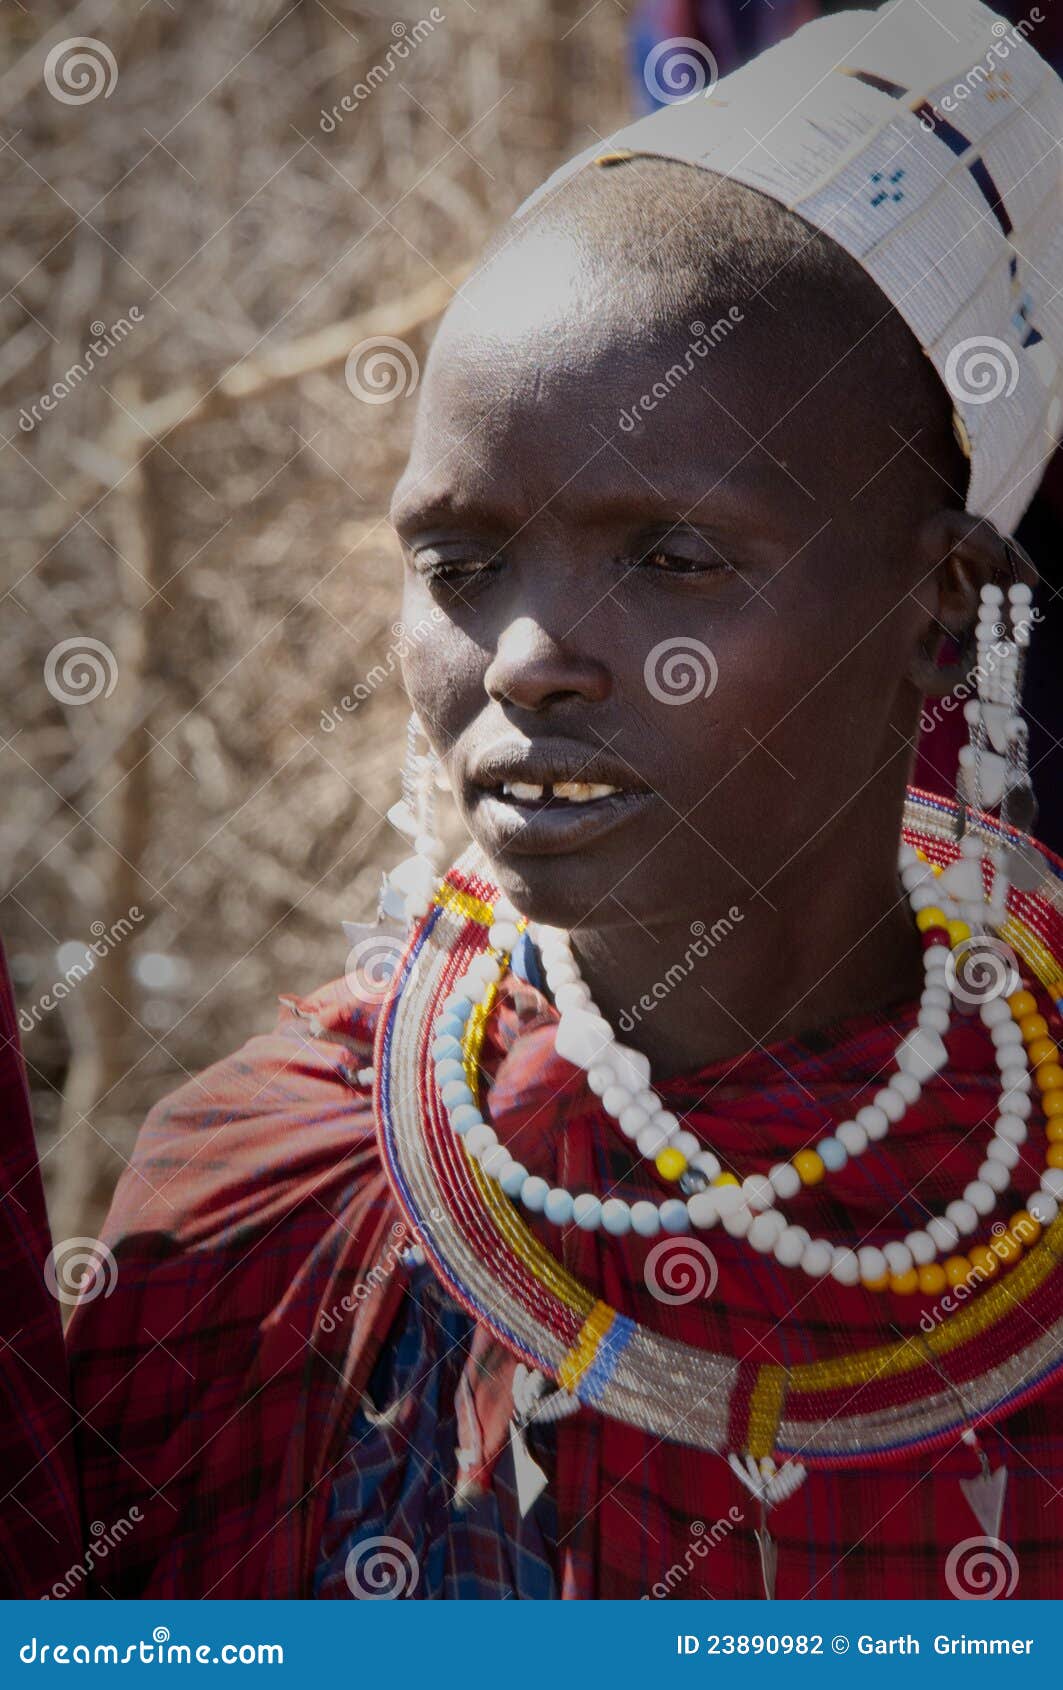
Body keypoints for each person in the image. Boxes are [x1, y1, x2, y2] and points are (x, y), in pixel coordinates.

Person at [57, 0, 1063, 1598]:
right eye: (461, 564)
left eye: (673, 557)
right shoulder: (265, 1204)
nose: (527, 659)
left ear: (944, 608)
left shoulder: (1023, 1194)